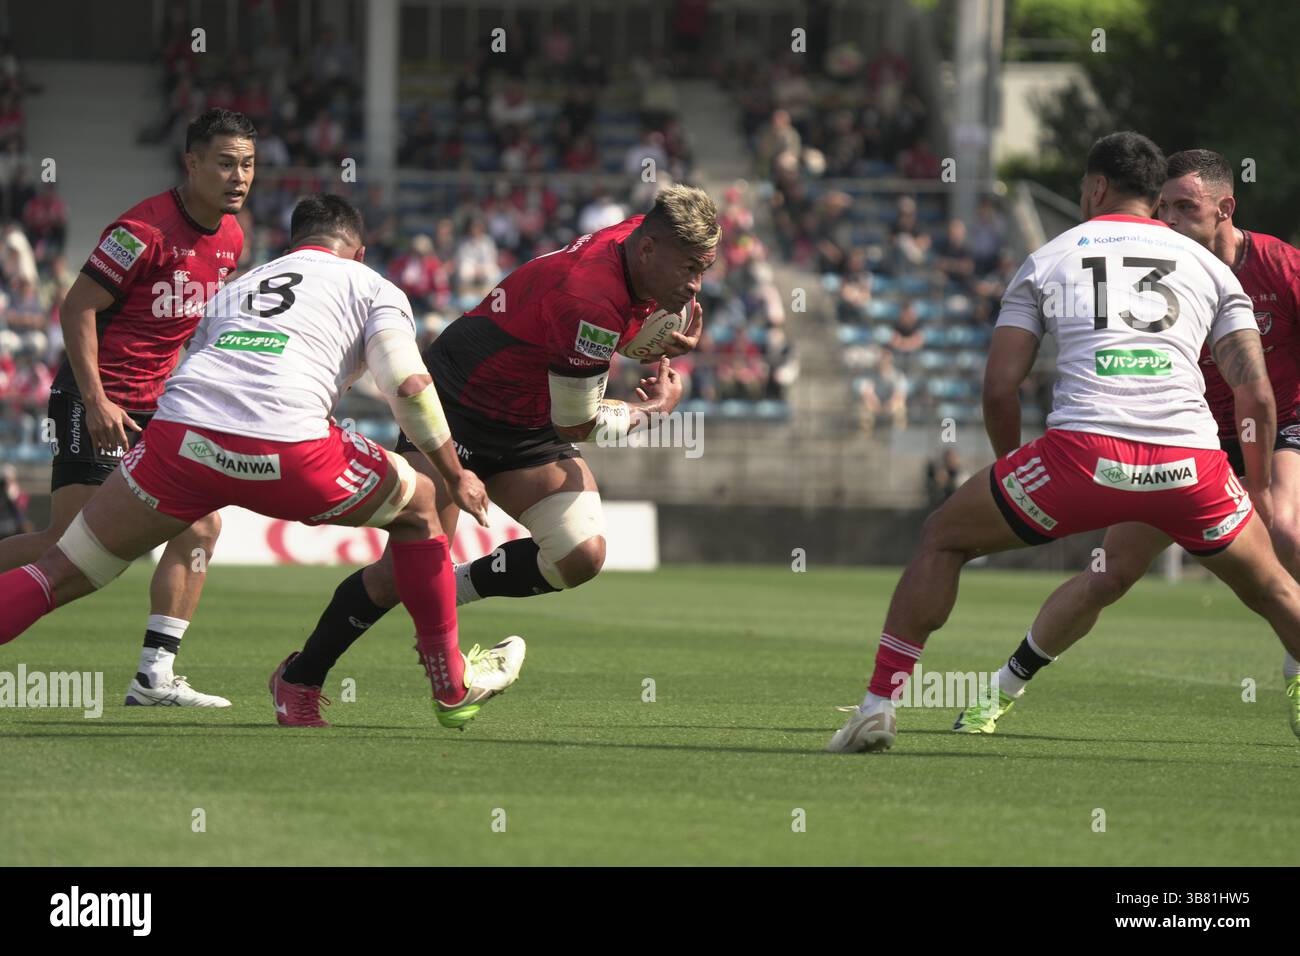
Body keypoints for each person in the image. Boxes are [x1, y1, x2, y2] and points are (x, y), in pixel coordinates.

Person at [829, 132, 1300, 753]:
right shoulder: (1211, 267)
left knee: (945, 536)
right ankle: (1001, 689)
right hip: (1193, 462)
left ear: (1097, 187)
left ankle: (878, 706)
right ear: (1153, 196)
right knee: (1276, 590)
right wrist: (1257, 486)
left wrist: (1013, 476)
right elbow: (1258, 397)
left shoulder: (1050, 256)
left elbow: (1001, 386)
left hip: (1080, 458)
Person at [0, 195, 522, 730]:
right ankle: (450, 685)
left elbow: (205, 363)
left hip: (181, 440)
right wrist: (456, 472)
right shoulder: (373, 287)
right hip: (289, 451)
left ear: (295, 244)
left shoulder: (240, 284)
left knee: (61, 569)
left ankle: (209, 678)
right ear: (359, 252)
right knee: (423, 505)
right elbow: (409, 386)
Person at [272, 185, 717, 725]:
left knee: (580, 555)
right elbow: (576, 421)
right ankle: (300, 678)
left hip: (528, 415)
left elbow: (602, 334)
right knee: (398, 572)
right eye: (689, 268)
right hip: (459, 404)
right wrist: (652, 412)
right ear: (648, 249)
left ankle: (444, 591)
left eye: (705, 269)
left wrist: (649, 338)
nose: (696, 285)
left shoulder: (636, 241)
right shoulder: (590, 301)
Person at [954, 148, 1300, 738]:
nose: (1170, 218)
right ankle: (1000, 690)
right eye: (1163, 205)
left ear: (1226, 209)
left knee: (1286, 527)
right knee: (1108, 574)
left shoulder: (1280, 266)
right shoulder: (1159, 264)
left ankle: (1295, 667)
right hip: (1188, 440)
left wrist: (1260, 482)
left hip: (1279, 425)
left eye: (1186, 207)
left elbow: (1261, 399)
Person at [0, 108, 253, 707]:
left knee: (201, 524)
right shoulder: (141, 230)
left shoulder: (232, 239)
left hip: (158, 408)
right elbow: (74, 307)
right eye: (224, 163)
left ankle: (154, 676)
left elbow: (184, 331)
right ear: (192, 163)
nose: (238, 176)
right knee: (69, 549)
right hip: (94, 400)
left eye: (246, 164)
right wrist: (96, 400)